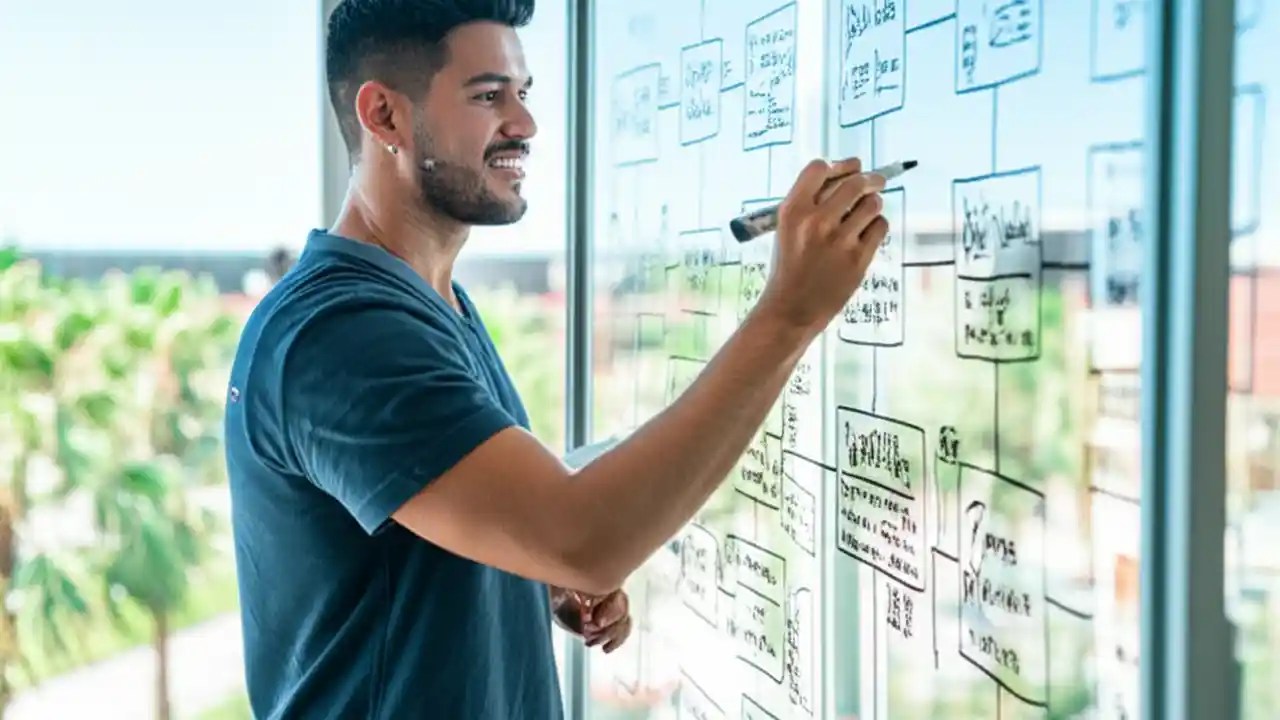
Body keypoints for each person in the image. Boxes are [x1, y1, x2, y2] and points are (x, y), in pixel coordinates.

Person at [221, 0, 889, 718]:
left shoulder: (433, 309)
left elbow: (434, 541)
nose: (525, 125)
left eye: (524, 94)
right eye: (488, 96)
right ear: (384, 116)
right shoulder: (343, 333)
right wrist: (791, 312)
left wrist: (526, 573)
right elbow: (585, 538)